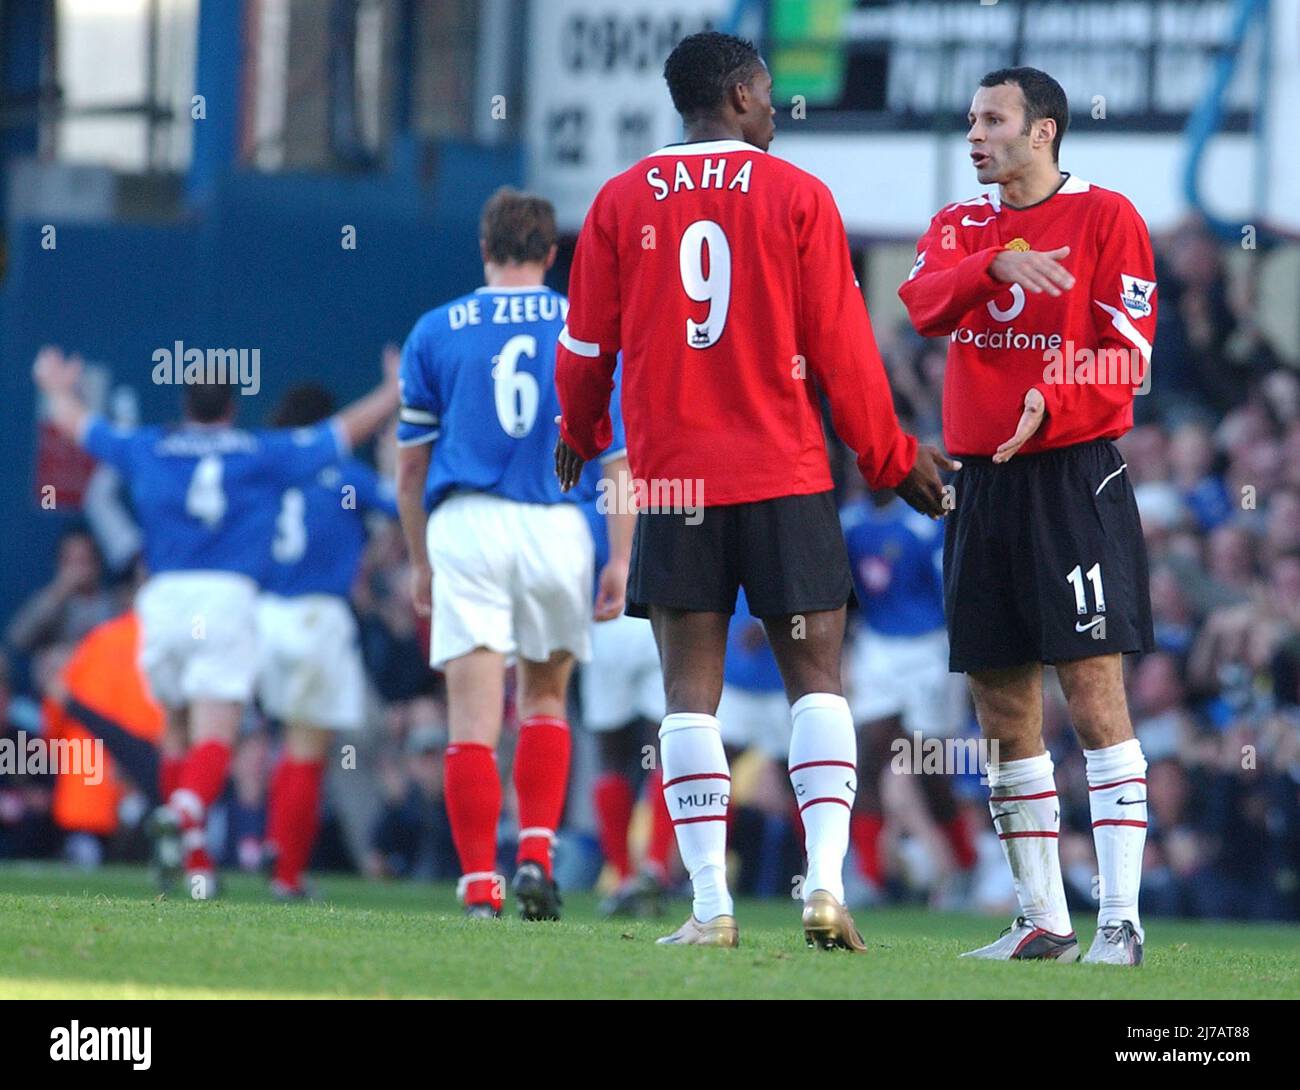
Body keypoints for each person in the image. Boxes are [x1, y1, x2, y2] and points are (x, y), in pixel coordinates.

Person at [554, 31, 953, 950]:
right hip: (785, 478)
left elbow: (586, 349)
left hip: (675, 483)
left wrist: (580, 434)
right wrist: (890, 461)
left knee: (688, 699)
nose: (777, 109)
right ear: (736, 96)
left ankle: (710, 908)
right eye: (768, 94)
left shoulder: (618, 200)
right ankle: (825, 888)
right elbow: (846, 352)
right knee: (820, 683)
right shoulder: (799, 197)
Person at [898, 66, 1157, 965]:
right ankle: (1042, 918)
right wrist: (993, 263)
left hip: (1069, 477)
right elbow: (922, 304)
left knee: (1092, 697)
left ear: (1043, 130)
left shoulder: (1106, 219)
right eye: (970, 118)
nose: (975, 134)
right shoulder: (960, 224)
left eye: (993, 119)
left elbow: (1128, 360)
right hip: (981, 484)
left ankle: (1118, 920)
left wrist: (1054, 397)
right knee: (1000, 704)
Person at [32, 346, 399, 897]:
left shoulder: (150, 444)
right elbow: (344, 433)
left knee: (176, 729)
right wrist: (396, 389)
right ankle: (189, 819)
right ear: (232, 405)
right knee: (222, 732)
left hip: (160, 600)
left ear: (185, 402)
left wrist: (55, 385)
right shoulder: (261, 452)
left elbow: (81, 425)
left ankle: (197, 865)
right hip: (231, 600)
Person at [395, 187, 631, 920]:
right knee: (545, 701)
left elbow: (409, 467)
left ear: (483, 247)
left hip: (465, 524)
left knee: (472, 717)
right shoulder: (585, 328)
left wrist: (421, 560)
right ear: (552, 253)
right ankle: (534, 856)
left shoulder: (435, 330)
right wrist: (619, 559)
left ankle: (477, 887)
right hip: (557, 526)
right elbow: (619, 465)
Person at [257, 379, 399, 898]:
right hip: (316, 617)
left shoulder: (265, 475)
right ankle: (287, 873)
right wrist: (391, 459)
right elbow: (398, 509)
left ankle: (267, 844)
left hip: (263, 616)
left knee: (278, 741)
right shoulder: (343, 474)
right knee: (307, 747)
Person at [841, 487, 975, 903]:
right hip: (877, 648)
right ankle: (870, 879)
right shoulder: (848, 523)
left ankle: (965, 863)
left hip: (929, 648)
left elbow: (951, 590)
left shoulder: (924, 521)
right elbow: (841, 593)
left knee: (927, 765)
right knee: (868, 753)